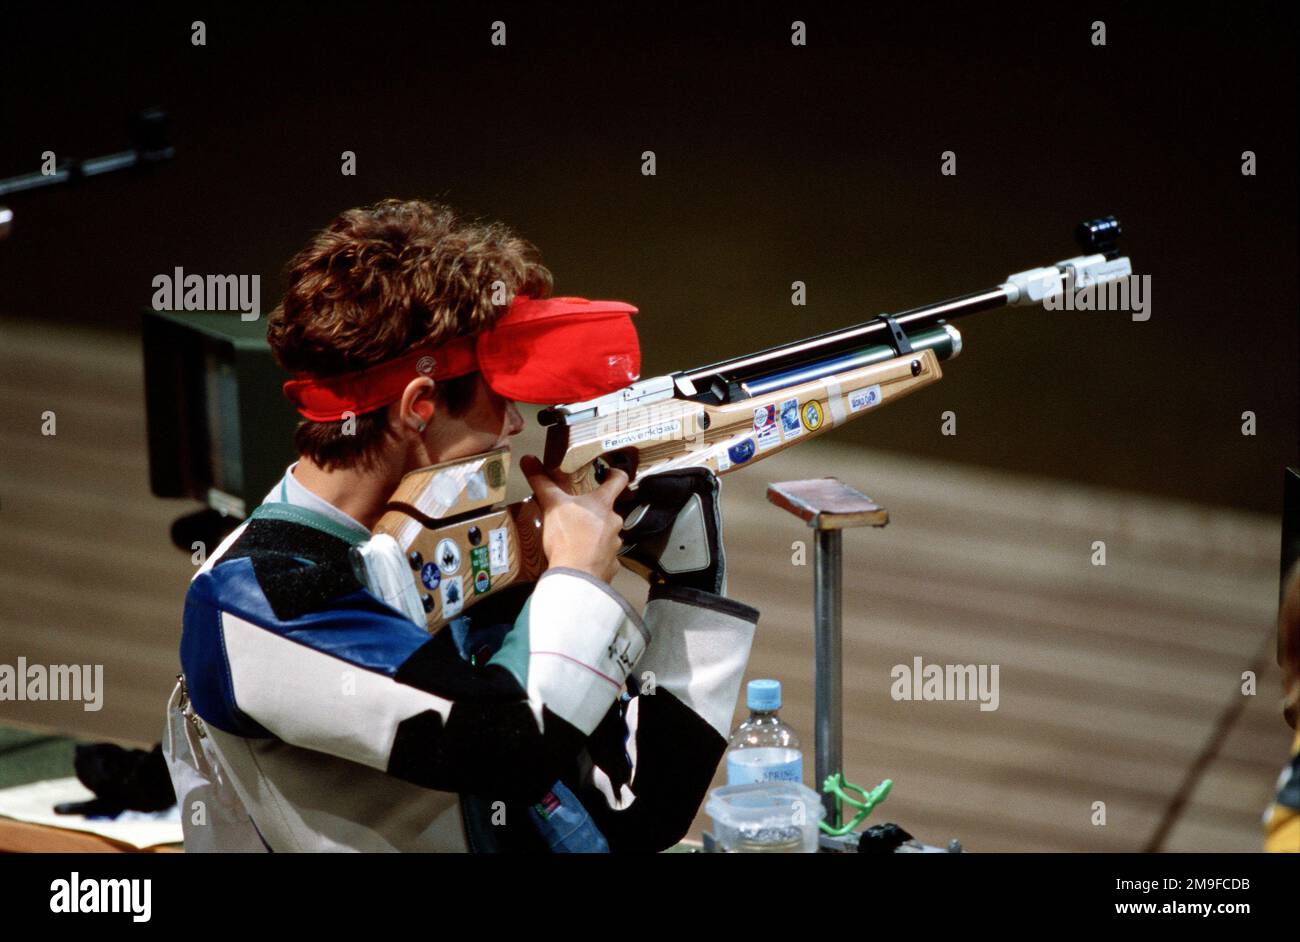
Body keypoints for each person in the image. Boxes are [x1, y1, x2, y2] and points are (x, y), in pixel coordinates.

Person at [162, 198, 760, 852]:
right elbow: (510, 743)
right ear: (418, 406)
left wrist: (686, 579)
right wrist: (573, 579)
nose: (512, 424)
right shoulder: (256, 605)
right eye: (498, 396)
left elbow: (636, 813)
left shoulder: (454, 553)